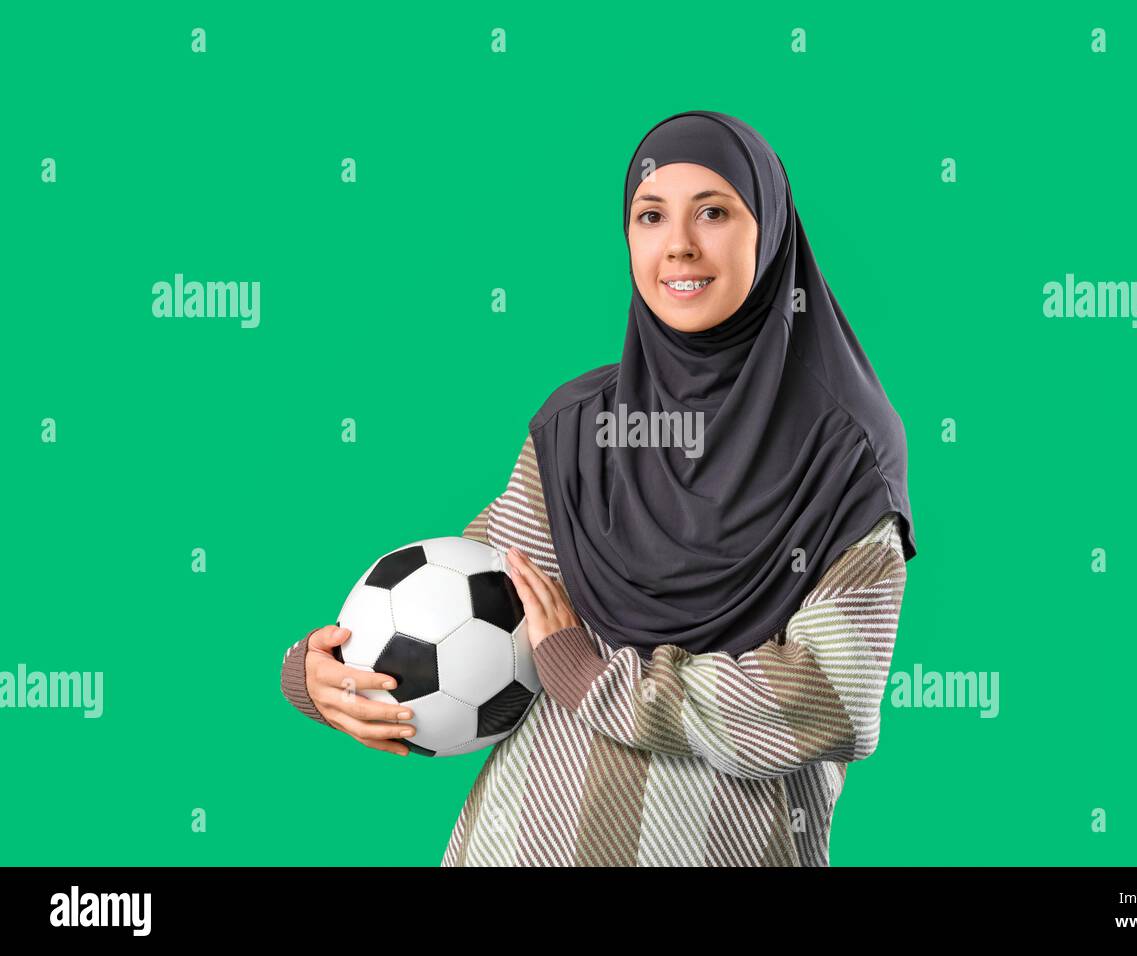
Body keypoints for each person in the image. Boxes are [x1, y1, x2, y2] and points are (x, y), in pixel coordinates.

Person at [280, 110, 917, 866]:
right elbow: (478, 605)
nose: (678, 243)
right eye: (650, 216)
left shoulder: (844, 456)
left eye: (713, 211)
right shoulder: (582, 429)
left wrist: (594, 678)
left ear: (770, 232)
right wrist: (330, 675)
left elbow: (825, 702)